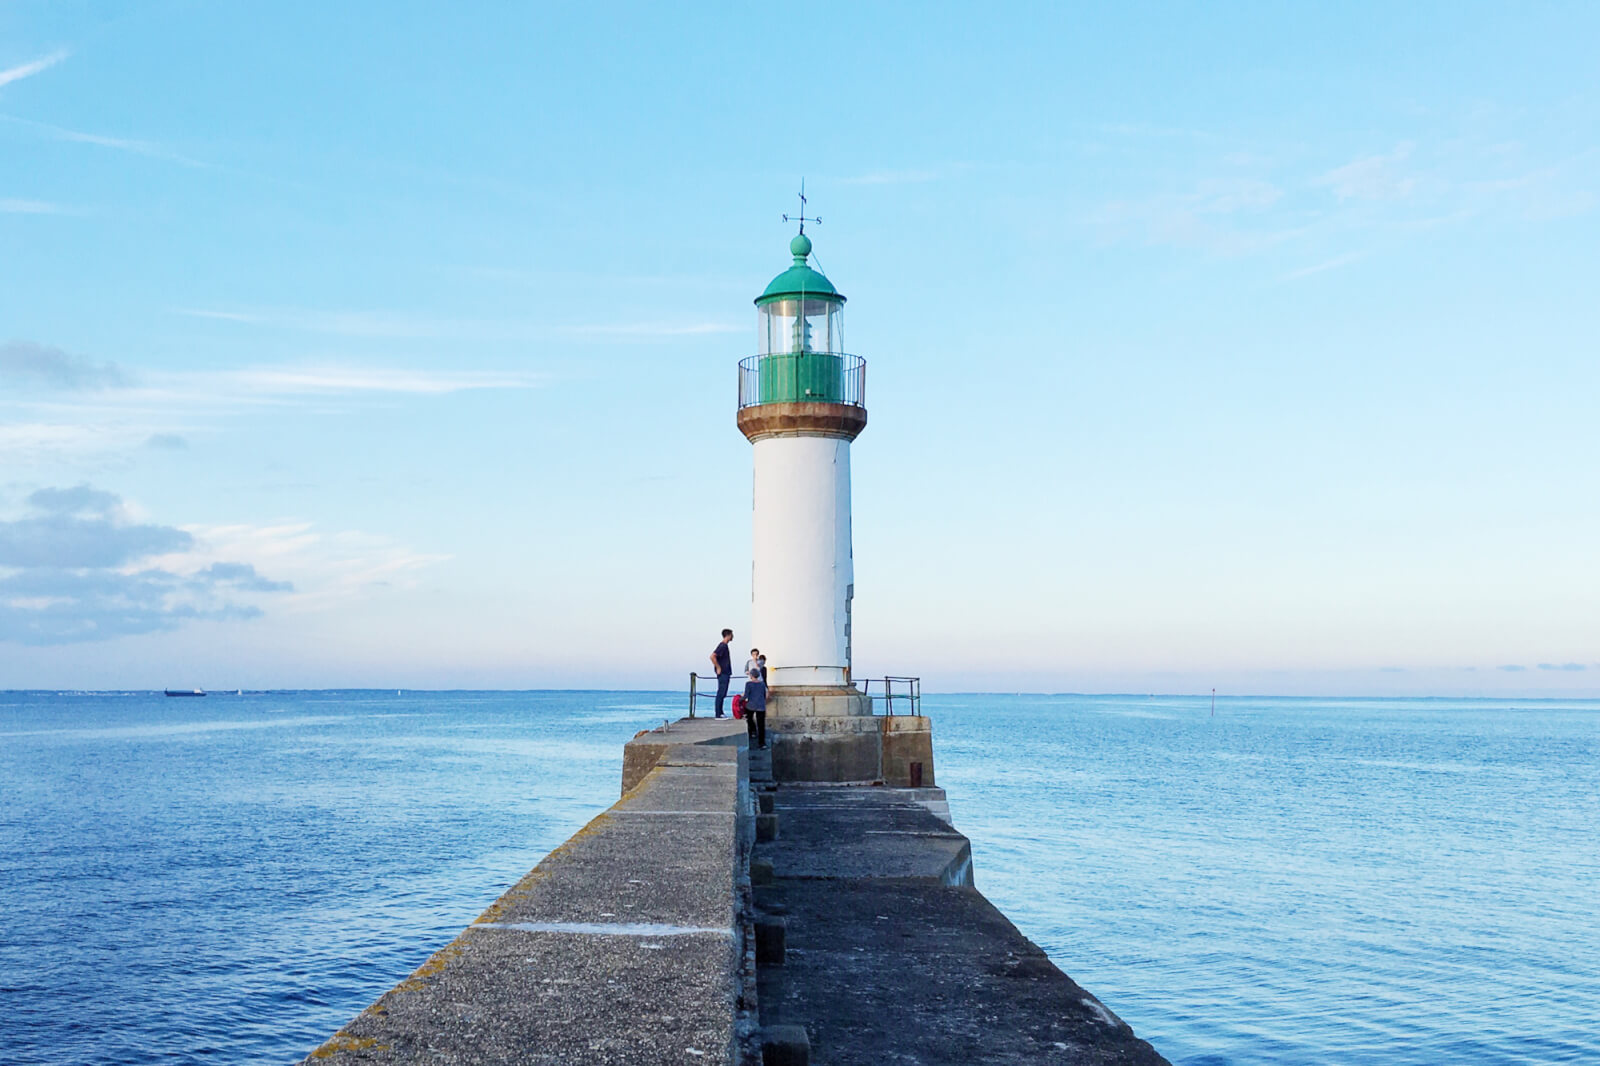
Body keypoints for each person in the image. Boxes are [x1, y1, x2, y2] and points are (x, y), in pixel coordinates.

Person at [709, 628, 734, 718]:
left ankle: (720, 712)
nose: (733, 636)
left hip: (725, 672)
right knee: (721, 692)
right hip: (723, 673)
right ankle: (718, 714)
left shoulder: (725, 646)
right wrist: (718, 667)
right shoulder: (722, 646)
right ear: (728, 635)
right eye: (731, 635)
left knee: (723, 693)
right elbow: (712, 656)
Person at [743, 662, 768, 749]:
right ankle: (762, 743)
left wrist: (739, 700)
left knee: (749, 718)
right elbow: (764, 695)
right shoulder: (762, 684)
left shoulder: (748, 684)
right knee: (761, 725)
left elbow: (746, 696)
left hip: (751, 705)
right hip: (761, 706)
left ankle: (752, 732)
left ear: (751, 675)